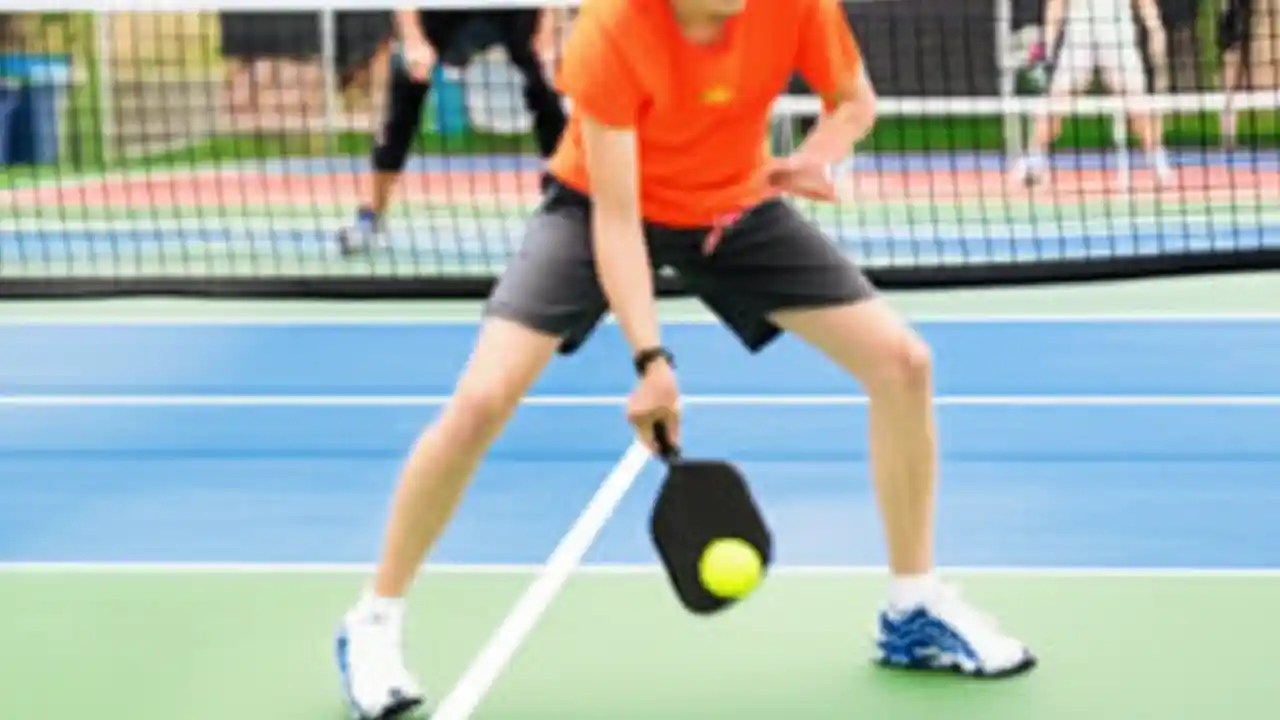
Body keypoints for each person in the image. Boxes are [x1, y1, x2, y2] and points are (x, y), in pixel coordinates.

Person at [335, 0, 1036, 716]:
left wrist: (816, 158)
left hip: (736, 208)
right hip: (597, 210)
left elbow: (855, 103)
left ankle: (913, 611)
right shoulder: (613, 28)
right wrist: (650, 360)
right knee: (482, 400)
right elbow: (616, 218)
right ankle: (375, 618)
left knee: (903, 364)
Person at [336, 7, 569, 256]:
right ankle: (369, 217)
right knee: (402, 100)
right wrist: (413, 40)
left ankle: (569, 208)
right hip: (444, 10)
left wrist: (547, 34)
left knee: (546, 95)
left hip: (510, 9)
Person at [1013, 0, 1173, 186]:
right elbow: (1056, 4)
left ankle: (1157, 161)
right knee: (1058, 97)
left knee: (1136, 100)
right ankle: (1034, 161)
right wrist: (1048, 41)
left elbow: (1145, 3)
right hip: (1080, 34)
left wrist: (1154, 26)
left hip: (1117, 33)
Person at [1218, 0, 1254, 148]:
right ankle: (1228, 136)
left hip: (1239, 34)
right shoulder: (1230, 11)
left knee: (1233, 90)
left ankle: (1229, 135)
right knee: (1229, 89)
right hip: (1232, 39)